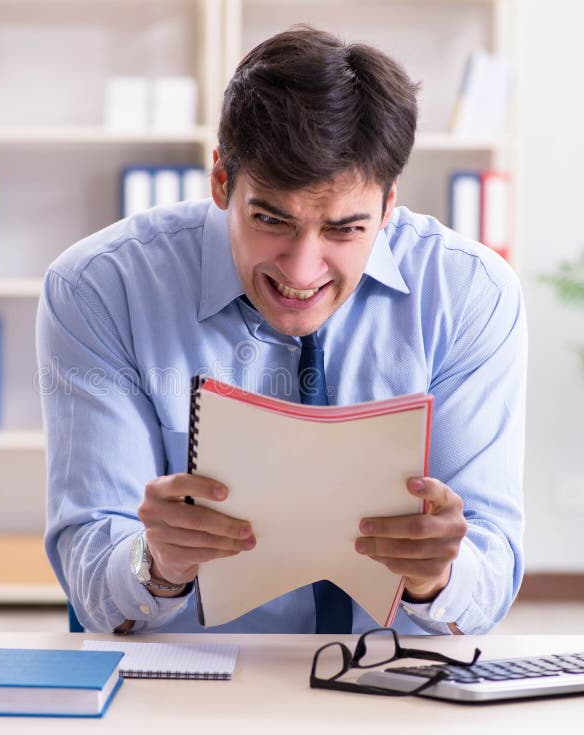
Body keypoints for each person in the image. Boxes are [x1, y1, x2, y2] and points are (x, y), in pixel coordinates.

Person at [35, 26, 526, 636]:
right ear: (222, 182)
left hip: (392, 690)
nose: (301, 270)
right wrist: (156, 564)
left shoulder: (470, 293)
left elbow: (492, 568)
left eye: (346, 229)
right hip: (184, 691)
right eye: (271, 219)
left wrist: (439, 577)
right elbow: (91, 570)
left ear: (388, 204)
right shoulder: (102, 288)